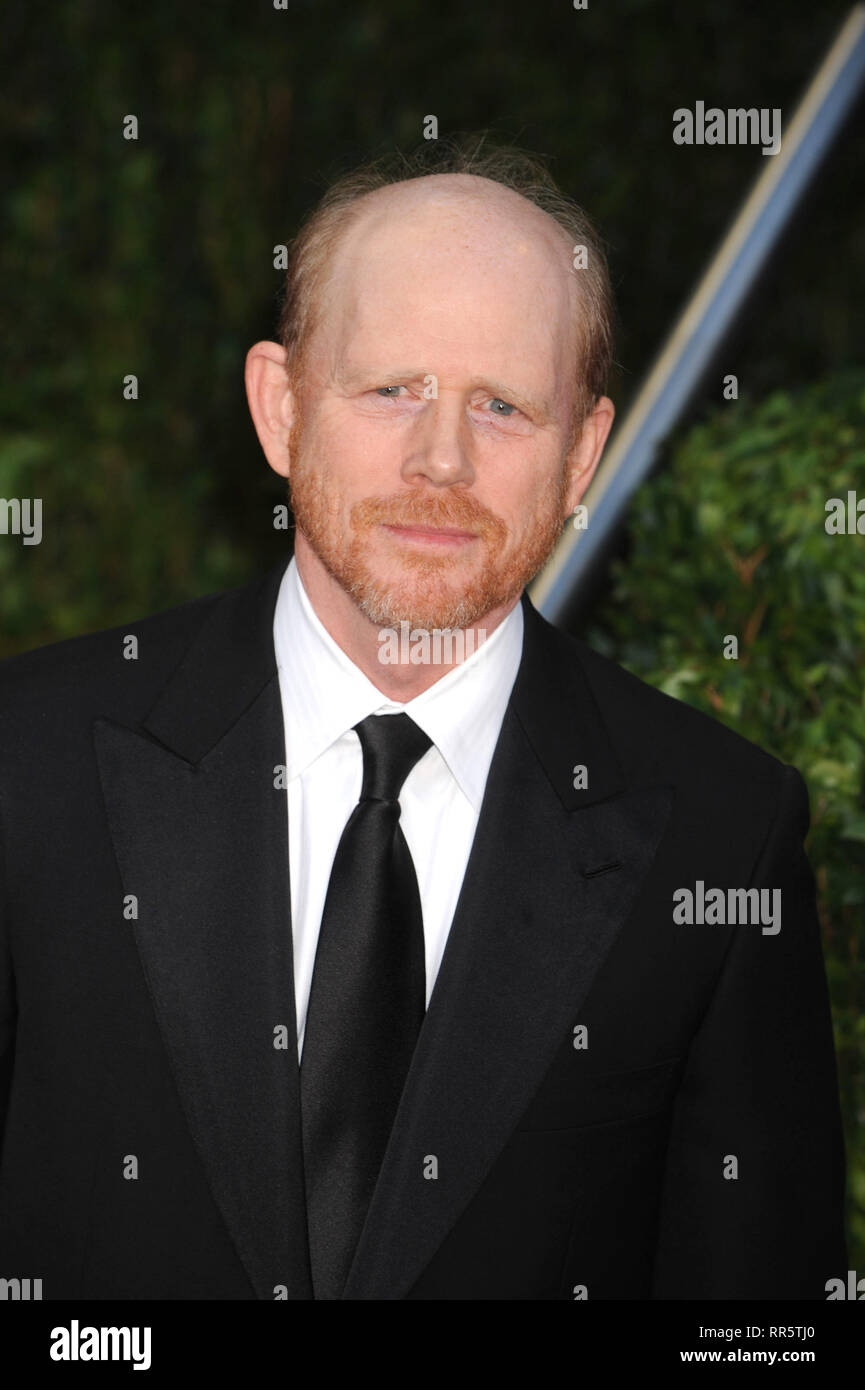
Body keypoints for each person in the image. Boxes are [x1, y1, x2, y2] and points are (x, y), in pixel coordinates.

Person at [0, 140, 846, 1300]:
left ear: (581, 455)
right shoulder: (28, 765)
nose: (441, 458)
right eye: (392, 388)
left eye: (502, 405)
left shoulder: (721, 835)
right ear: (280, 408)